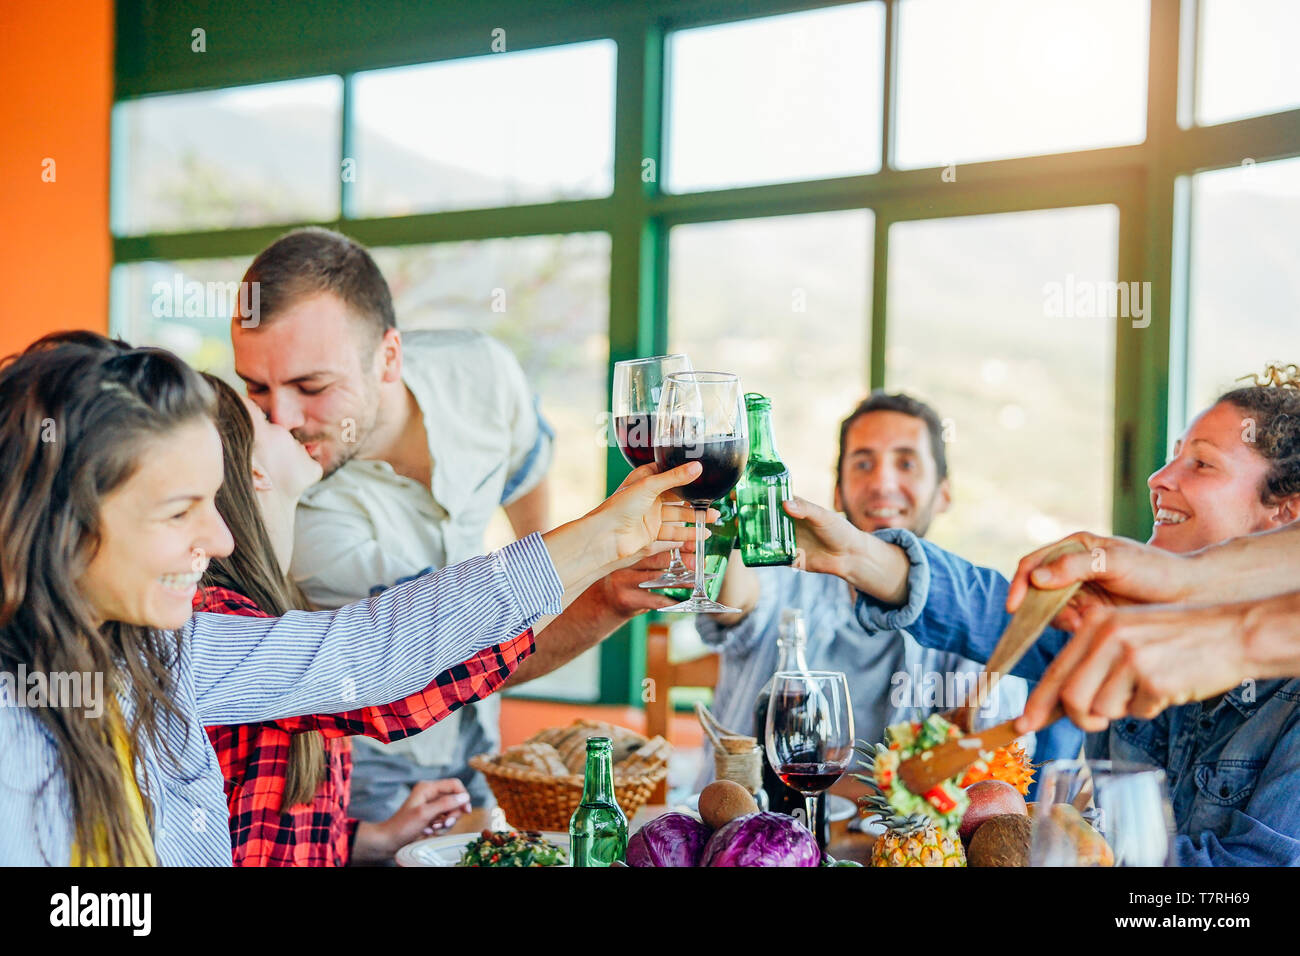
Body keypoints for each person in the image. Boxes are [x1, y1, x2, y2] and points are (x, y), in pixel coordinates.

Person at [0, 336, 705, 865]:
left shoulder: (161, 650)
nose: (217, 539)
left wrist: (601, 543)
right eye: (181, 510)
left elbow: (368, 654)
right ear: (64, 523)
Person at [231, 227, 675, 818]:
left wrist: (544, 583)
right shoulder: (285, 499)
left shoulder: (481, 372)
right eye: (255, 388)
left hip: (480, 743)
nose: (280, 418)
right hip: (365, 765)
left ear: (389, 357)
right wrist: (602, 599)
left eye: (311, 386)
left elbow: (526, 462)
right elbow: (438, 656)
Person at [813, 374, 1300, 864]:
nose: (1158, 478)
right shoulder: (1131, 621)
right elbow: (987, 609)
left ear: (1285, 515)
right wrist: (857, 554)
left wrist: (1064, 844)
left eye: (1201, 462)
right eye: (1173, 455)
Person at [196, 372, 509, 865]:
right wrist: (592, 556)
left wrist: (374, 837)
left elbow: (258, 826)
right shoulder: (218, 620)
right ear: (255, 472)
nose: (286, 418)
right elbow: (389, 675)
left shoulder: (271, 606)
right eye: (262, 415)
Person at [696, 392, 1048, 789]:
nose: (882, 483)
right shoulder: (785, 574)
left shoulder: (971, 613)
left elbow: (1001, 767)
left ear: (944, 493)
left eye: (906, 463)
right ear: (838, 491)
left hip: (905, 847)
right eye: (863, 463)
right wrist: (724, 512)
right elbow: (734, 602)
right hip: (747, 836)